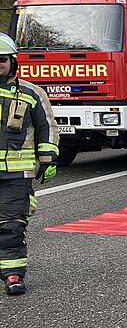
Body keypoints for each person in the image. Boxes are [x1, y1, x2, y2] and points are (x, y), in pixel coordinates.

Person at [0, 33, 58, 296]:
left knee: (12, 225)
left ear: (13, 62)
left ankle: (13, 275)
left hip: (16, 173)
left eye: (2, 60)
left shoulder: (31, 93)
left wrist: (48, 159)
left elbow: (47, 127)